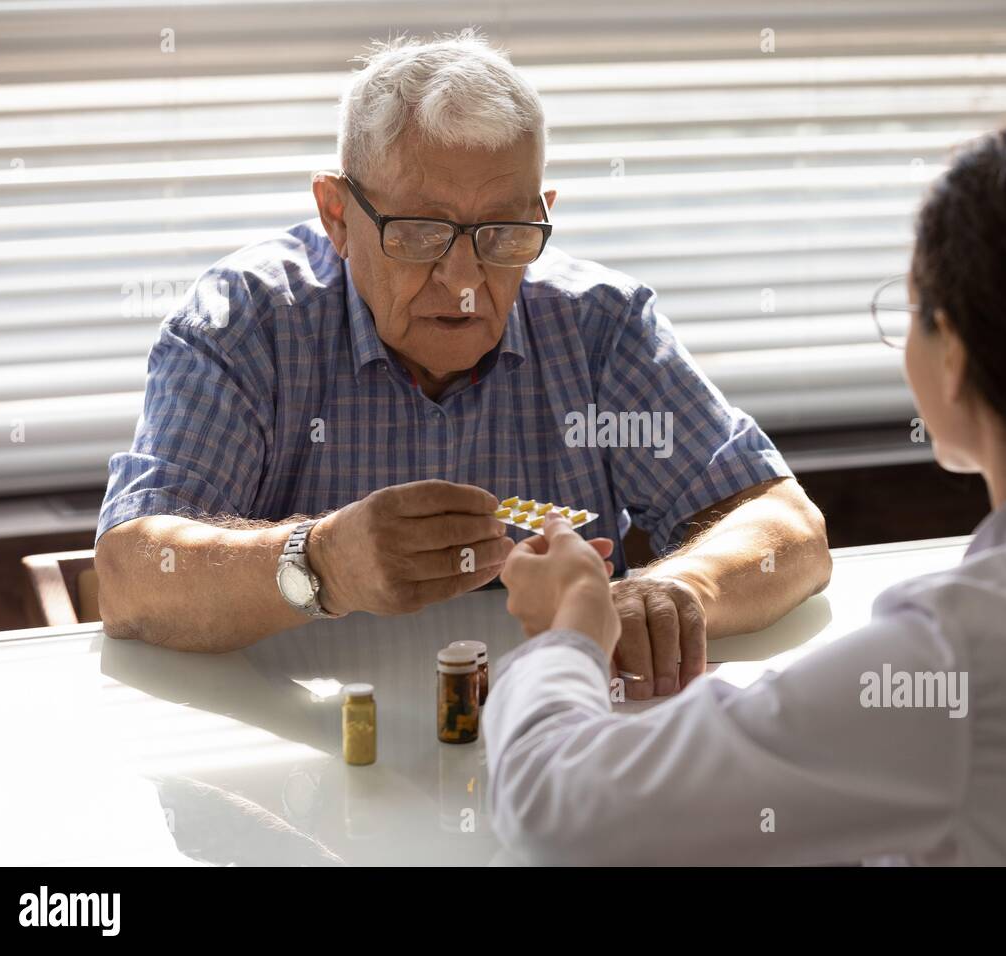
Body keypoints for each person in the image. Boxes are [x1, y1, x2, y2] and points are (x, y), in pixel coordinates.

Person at [486, 113, 1006, 865]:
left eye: (915, 312)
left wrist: (568, 634)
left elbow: (562, 814)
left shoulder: (963, 652)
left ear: (954, 354)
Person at [93, 32, 831, 690]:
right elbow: (131, 577)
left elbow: (785, 528)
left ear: (542, 209)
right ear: (337, 214)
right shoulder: (246, 322)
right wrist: (321, 564)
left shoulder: (598, 326)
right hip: (303, 754)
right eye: (419, 233)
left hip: (553, 748)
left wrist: (676, 590)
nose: (466, 280)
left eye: (504, 231)